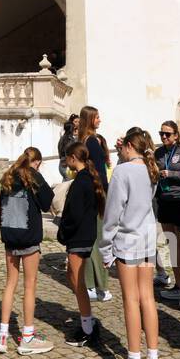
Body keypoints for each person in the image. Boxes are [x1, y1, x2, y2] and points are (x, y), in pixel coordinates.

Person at [102, 127, 163, 359]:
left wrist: (105, 248)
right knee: (148, 299)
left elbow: (113, 212)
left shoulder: (123, 171)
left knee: (131, 301)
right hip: (147, 239)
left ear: (127, 145)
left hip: (127, 241)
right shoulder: (151, 170)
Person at [0, 147, 56, 355]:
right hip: (29, 236)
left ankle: (2, 335)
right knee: (29, 285)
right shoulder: (34, 176)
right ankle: (27, 336)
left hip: (10, 237)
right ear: (37, 162)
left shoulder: (8, 176)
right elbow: (48, 202)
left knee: (10, 283)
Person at [58, 141, 104, 348]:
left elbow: (74, 214)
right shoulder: (86, 178)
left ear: (73, 159)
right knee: (72, 276)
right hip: (83, 235)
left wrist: (63, 232)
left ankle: (87, 327)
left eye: (67, 158)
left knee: (78, 281)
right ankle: (87, 320)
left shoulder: (82, 181)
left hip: (79, 236)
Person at [154, 120, 180, 311]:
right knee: (172, 244)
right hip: (164, 200)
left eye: (168, 134)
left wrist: (168, 172)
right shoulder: (159, 152)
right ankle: (178, 285)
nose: (164, 137)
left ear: (176, 135)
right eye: (161, 133)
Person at [76, 106, 113, 303]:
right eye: (97, 117)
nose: (100, 120)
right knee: (99, 239)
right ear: (90, 120)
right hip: (97, 193)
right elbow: (99, 171)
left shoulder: (83, 140)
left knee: (91, 239)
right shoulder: (92, 141)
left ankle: (90, 283)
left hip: (88, 192)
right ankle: (99, 285)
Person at [57, 113, 78, 181]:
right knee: (68, 183)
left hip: (62, 164)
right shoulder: (70, 139)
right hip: (67, 165)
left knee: (66, 182)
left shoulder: (62, 138)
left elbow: (60, 151)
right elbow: (69, 152)